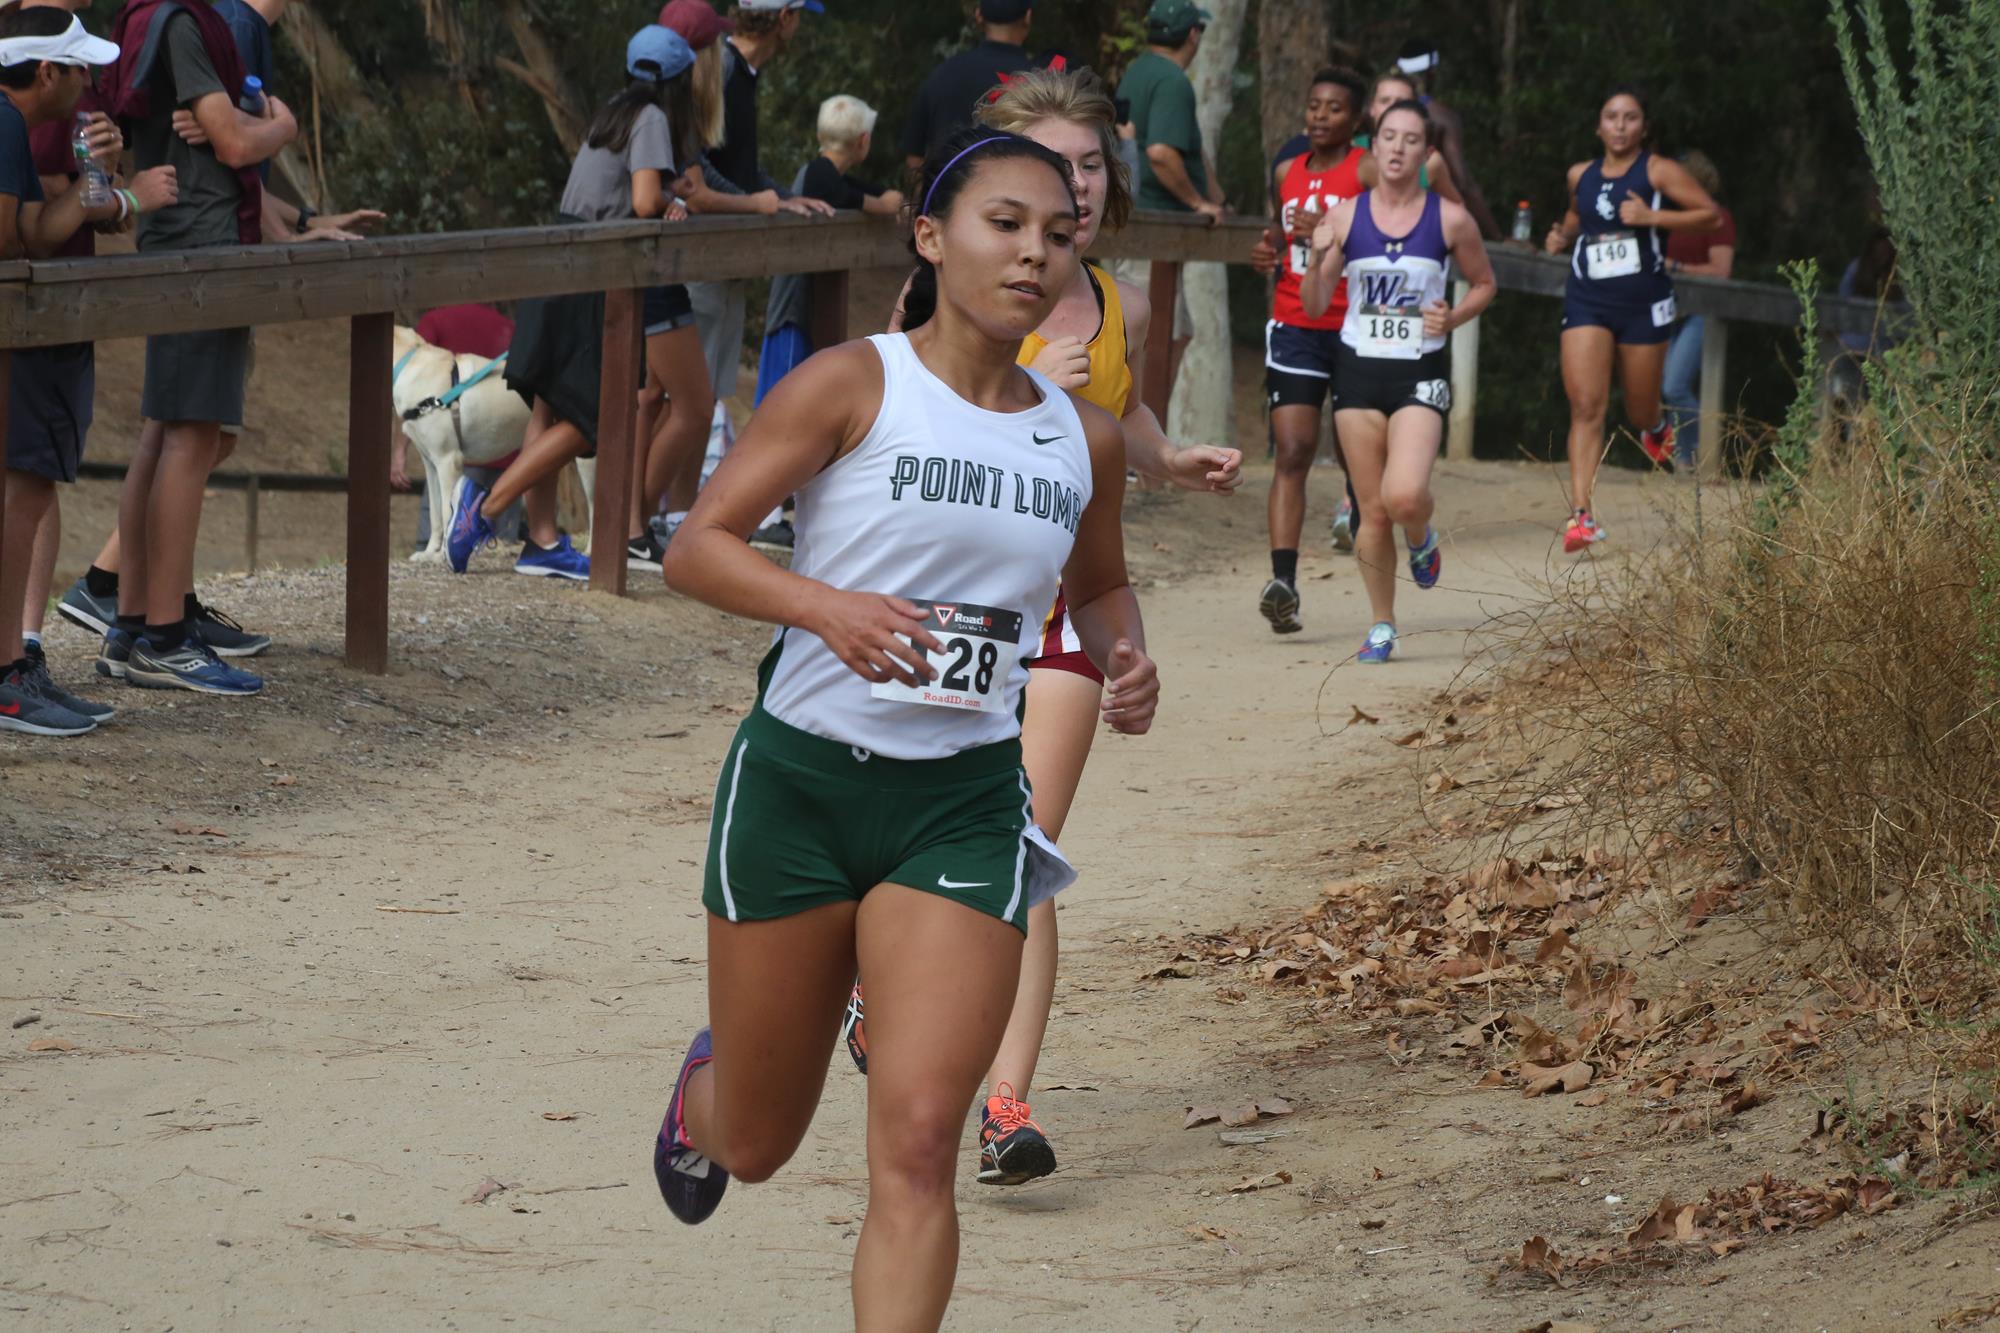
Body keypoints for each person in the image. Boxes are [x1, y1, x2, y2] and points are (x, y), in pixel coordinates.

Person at [652, 128, 1157, 1332]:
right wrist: (822, 608)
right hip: (799, 791)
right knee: (763, 1140)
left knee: (922, 1140)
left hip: (962, 803)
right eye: (1003, 223)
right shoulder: (851, 382)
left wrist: (1126, 655)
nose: (1033, 252)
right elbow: (694, 546)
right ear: (931, 239)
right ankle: (700, 1100)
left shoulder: (1076, 435)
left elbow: (1097, 588)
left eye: (1057, 231)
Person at [851, 68, 1240, 1187]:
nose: (1073, 184)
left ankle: (1004, 1102)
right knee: (914, 828)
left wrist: (1166, 455)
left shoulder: (1116, 301)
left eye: (1088, 168)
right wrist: (1030, 381)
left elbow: (1124, 417)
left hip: (1063, 605)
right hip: (951, 603)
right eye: (1053, 164)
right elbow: (907, 436)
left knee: (1018, 849)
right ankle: (878, 984)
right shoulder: (943, 294)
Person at [90, 0, 296, 694]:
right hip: (201, 244)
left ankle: (131, 622)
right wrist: (280, 125)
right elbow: (235, 144)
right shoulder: (182, 23)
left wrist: (238, 125)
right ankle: (168, 635)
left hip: (181, 240)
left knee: (166, 433)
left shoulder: (160, 20)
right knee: (190, 439)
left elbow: (218, 130)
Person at [447, 25, 705, 579]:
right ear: (680, 81)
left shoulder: (613, 110)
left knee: (550, 404)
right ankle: (484, 508)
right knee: (594, 417)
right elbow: (640, 202)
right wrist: (669, 201)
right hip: (591, 270)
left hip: (559, 254)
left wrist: (664, 197)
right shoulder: (654, 118)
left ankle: (541, 541)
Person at [0, 6, 174, 734]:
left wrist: (95, 181)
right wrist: (119, 193)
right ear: (46, 72)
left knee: (29, 488)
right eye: (78, 69)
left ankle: (13, 659)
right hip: (25, 341)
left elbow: (33, 230)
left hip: (36, 332)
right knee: (25, 488)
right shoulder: (7, 127)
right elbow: (11, 248)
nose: (89, 81)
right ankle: (8, 674)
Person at [1299, 98, 1494, 664]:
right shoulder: (1344, 216)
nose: (1398, 149)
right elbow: (1314, 306)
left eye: (1411, 140)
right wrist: (1316, 259)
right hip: (1357, 372)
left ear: (1426, 153)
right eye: (1389, 137)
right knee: (1371, 508)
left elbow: (1484, 283)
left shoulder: (1450, 219)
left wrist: (1451, 316)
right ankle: (1382, 624)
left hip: (1419, 372)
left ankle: (1422, 535)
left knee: (1405, 495)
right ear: (1373, 145)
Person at [680, 0, 834, 552]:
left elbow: (739, 167)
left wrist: (787, 198)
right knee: (684, 395)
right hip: (700, 252)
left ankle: (683, 515)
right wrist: (756, 202)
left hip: (729, 253)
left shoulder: (743, 72)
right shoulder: (718, 66)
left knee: (708, 391)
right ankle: (662, 519)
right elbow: (694, 164)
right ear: (785, 18)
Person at [1543, 87, 1718, 553]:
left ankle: (1654, 426)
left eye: (1630, 117)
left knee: (1640, 408)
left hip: (1644, 303)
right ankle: (1581, 515)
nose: (1620, 126)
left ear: (1643, 127)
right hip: (1587, 301)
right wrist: (1561, 235)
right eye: (1611, 117)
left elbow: (1709, 216)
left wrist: (1650, 217)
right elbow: (1580, 215)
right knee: (1585, 405)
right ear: (1598, 126)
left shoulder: (1658, 170)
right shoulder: (1579, 173)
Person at [1245, 67, 1366, 636]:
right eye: (1315, 105)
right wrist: (1268, 252)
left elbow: (1397, 229)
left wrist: (1337, 228)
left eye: (1334, 108)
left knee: (1352, 453)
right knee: (1292, 450)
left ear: (1357, 120)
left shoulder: (1366, 170)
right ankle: (1283, 583)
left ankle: (1375, 541)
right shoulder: (1285, 171)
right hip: (1294, 321)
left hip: (1355, 325)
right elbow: (1277, 232)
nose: (1320, 115)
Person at [754, 94, 905, 406]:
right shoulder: (819, 174)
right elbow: (846, 195)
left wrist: (888, 199)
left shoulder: (826, 172)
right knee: (785, 402)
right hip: (791, 314)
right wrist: (883, 205)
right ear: (864, 141)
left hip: (801, 313)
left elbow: (856, 190)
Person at [1113, 0, 1216, 390]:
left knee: (1176, 331)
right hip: (1151, 229)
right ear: (1193, 34)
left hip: (1145, 230)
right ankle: (1135, 430)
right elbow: (1161, 153)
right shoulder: (1172, 80)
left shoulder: (1138, 69)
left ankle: (1145, 426)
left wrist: (1216, 197)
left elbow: (1187, 150)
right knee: (1148, 339)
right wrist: (1197, 202)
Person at [393, 303, 537, 552]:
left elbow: (416, 392)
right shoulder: (508, 327)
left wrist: (399, 451)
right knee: (498, 543)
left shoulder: (435, 321)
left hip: (453, 454)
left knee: (450, 532)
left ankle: (441, 545)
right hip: (508, 460)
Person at [1659, 149, 1734, 469]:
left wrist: (1675, 266)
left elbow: (1721, 270)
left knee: (1674, 385)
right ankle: (1683, 456)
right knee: (1661, 387)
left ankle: (1699, 455)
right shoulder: (1671, 218)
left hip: (1702, 310)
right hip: (1668, 307)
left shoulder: (1717, 218)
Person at [899, 0, 1035, 170]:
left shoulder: (943, 74)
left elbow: (914, 159)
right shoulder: (1040, 82)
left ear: (978, 15)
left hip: (947, 192)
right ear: (1028, 16)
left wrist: (928, 195)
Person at [1391, 38, 1498, 240]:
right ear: (1432, 73)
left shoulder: (1374, 110)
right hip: (1422, 224)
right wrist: (1497, 237)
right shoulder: (1442, 117)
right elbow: (1463, 183)